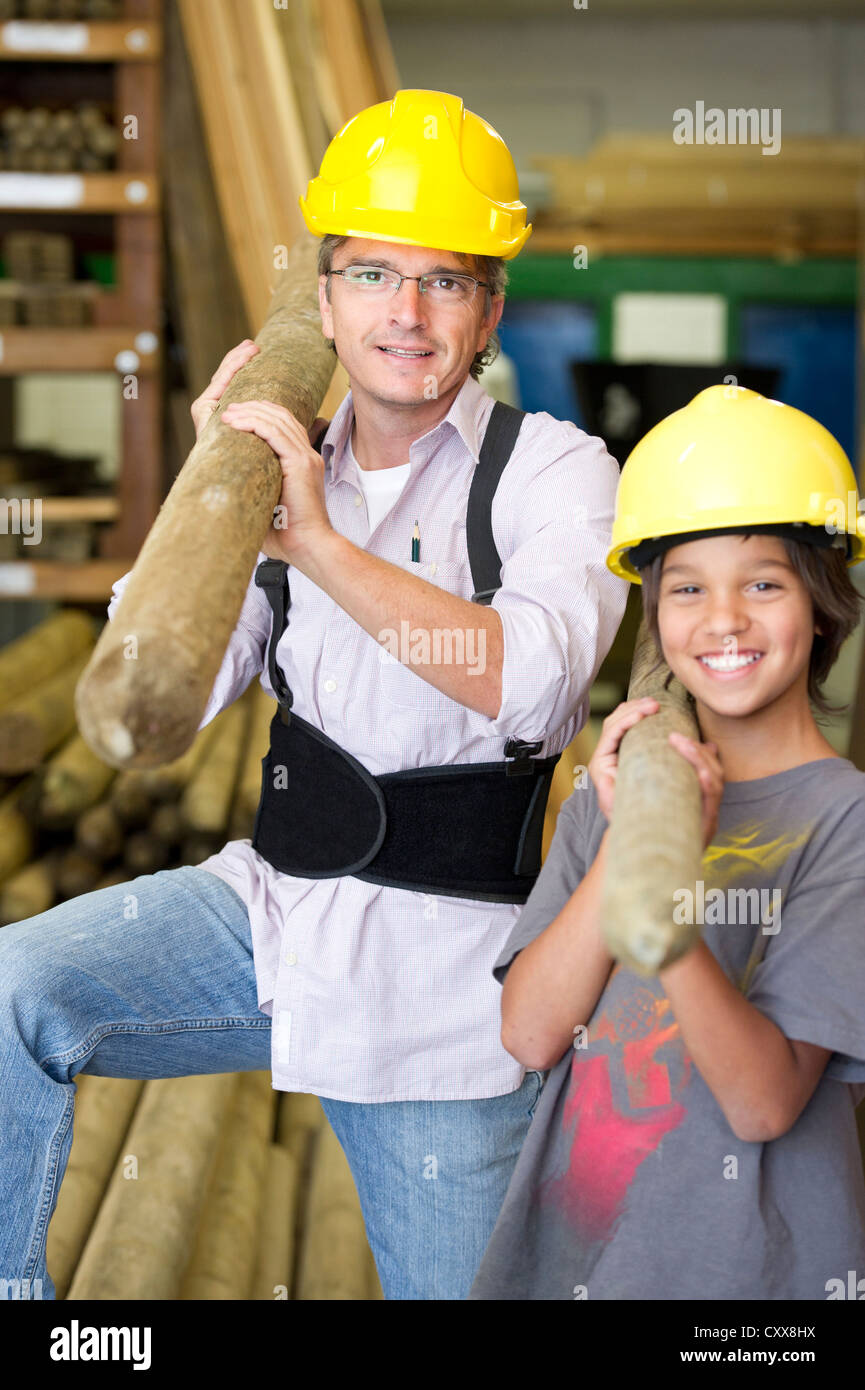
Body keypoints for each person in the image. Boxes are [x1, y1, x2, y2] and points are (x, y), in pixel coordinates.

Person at [0, 91, 627, 1302]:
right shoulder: (281, 468)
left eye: (444, 281)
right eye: (373, 274)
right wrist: (209, 488)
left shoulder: (552, 471)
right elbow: (154, 700)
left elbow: (532, 685)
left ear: (489, 308)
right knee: (14, 995)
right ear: (324, 296)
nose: (406, 313)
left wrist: (319, 541)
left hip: (450, 1001)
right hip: (275, 919)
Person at [468, 383, 865, 1301]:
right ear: (654, 616)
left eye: (762, 584)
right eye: (686, 589)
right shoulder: (613, 794)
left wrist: (670, 898)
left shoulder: (842, 820)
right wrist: (619, 841)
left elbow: (763, 1104)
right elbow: (530, 1036)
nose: (721, 620)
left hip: (754, 1286)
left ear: (820, 604)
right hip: (585, 1267)